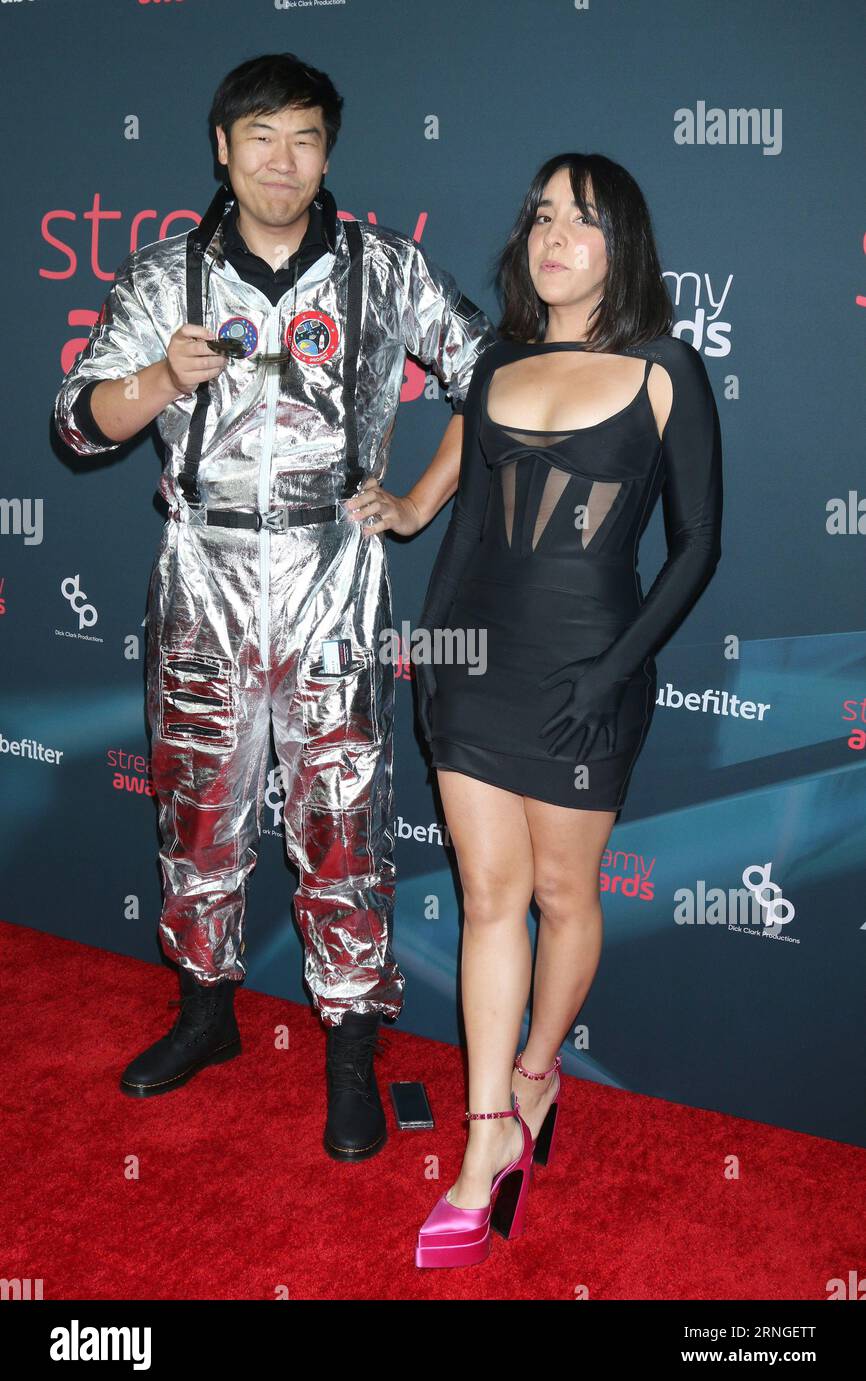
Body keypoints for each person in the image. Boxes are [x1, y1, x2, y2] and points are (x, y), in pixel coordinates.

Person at [53, 53, 495, 1162]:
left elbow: (490, 377)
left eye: (302, 138)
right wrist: (162, 378)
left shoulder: (382, 269)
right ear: (221, 147)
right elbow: (75, 425)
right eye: (259, 138)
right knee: (198, 808)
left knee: (340, 814)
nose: (280, 161)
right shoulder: (164, 279)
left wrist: (419, 500)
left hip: (329, 565)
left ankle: (349, 1036)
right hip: (200, 565)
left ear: (327, 152)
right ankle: (207, 1008)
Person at [413, 153, 723, 1266]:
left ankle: (537, 1073)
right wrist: (430, 658)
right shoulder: (492, 367)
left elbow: (695, 549)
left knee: (557, 889)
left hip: (592, 667)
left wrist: (609, 673)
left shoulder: (663, 370)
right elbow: (458, 538)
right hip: (478, 669)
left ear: (620, 246)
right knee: (487, 896)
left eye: (581, 222)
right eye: (540, 216)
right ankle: (483, 1134)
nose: (553, 237)